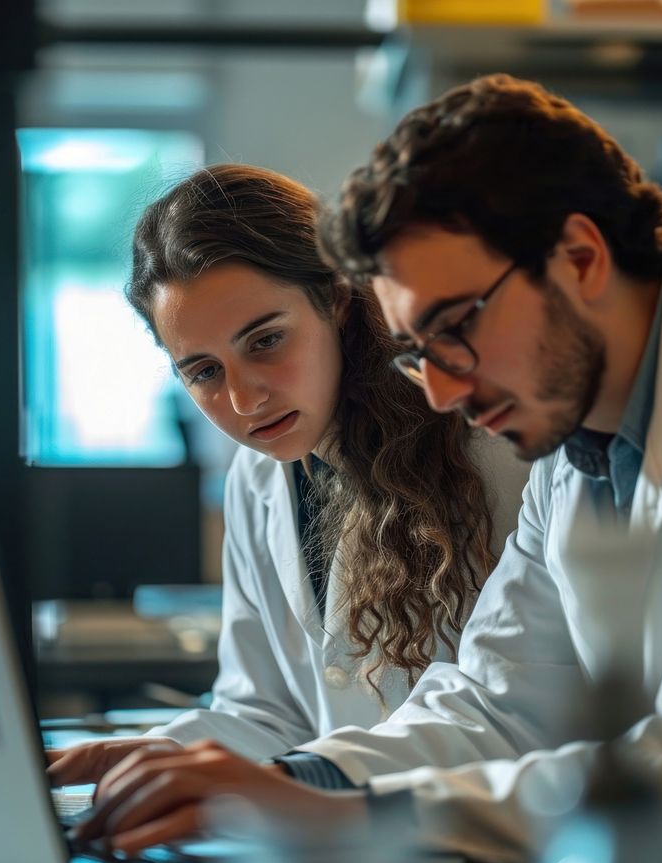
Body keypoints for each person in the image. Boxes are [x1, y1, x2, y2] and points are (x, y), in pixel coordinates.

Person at [71, 73, 662, 863]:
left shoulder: (545, 431)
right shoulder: (571, 453)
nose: (438, 391)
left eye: (454, 326)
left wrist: (340, 818)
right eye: (413, 349)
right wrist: (299, 782)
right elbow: (496, 706)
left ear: (579, 257)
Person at [48, 163, 525, 789]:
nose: (245, 400)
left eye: (266, 340)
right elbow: (268, 713)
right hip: (333, 839)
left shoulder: (487, 445)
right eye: (203, 371)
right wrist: (132, 756)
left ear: (335, 298)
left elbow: (507, 713)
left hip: (472, 836)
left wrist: (294, 782)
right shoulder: (257, 481)